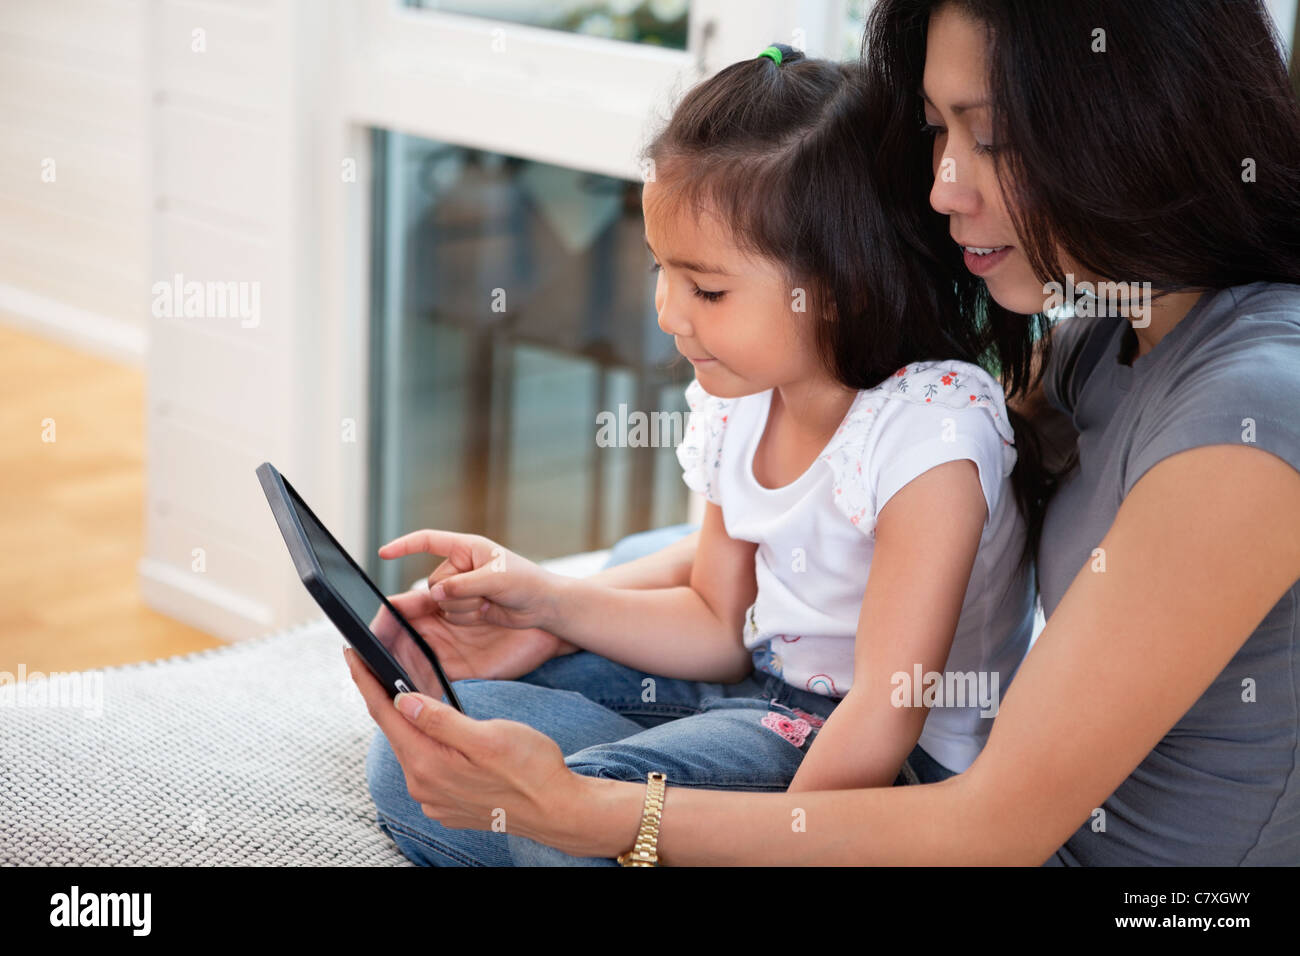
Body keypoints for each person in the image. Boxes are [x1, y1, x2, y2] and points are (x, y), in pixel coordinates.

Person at [350, 0, 1300, 865]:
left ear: (1144, 116)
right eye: (936, 132)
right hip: (856, 730)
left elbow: (991, 829)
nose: (942, 188)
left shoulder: (1250, 415)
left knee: (521, 818)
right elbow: (820, 552)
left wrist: (577, 811)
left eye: (993, 136)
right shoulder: (1104, 317)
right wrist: (547, 602)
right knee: (434, 746)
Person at [363, 40, 1042, 866]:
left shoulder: (928, 432)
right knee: (436, 747)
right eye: (662, 270)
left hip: (879, 762)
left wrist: (760, 841)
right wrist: (543, 605)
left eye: (707, 289)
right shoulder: (746, 394)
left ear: (842, 285)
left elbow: (884, 711)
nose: (667, 314)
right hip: (763, 691)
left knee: (568, 807)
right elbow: (720, 622)